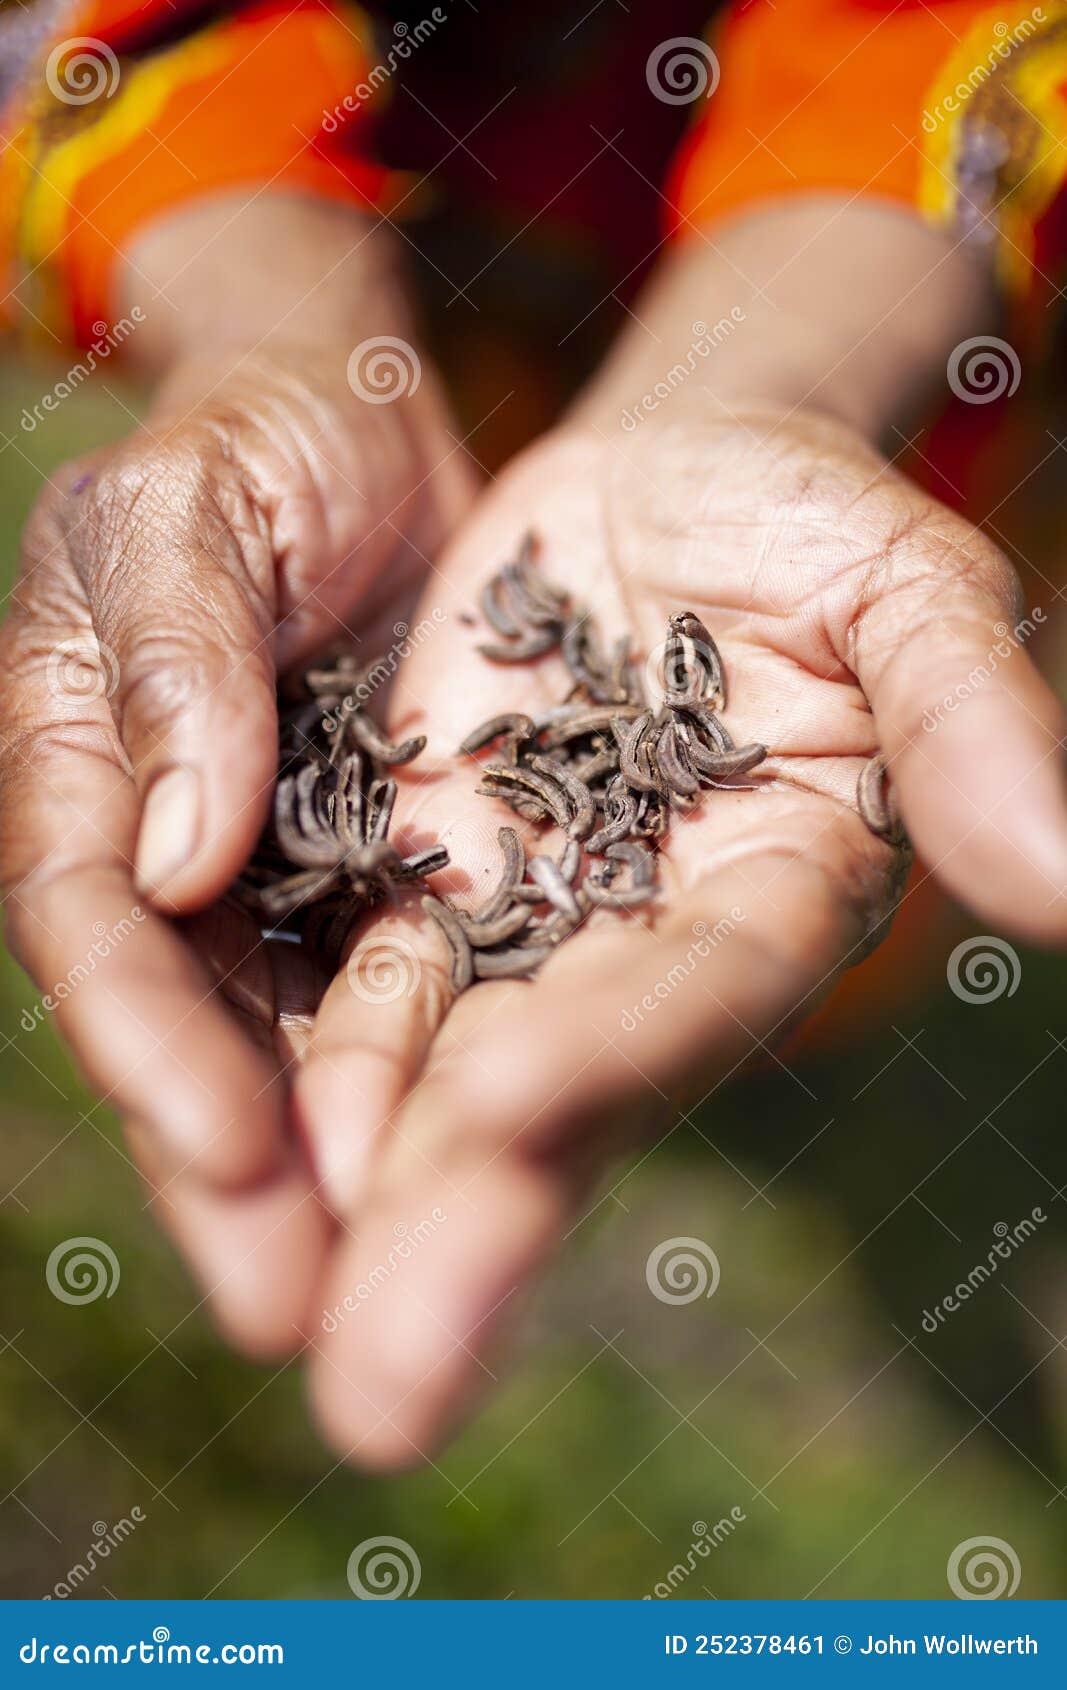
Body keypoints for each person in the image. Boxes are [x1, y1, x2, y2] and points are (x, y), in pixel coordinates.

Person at [1, 0, 1065, 1469]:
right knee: (690, 903)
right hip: (449, 344)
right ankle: (667, 1069)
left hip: (831, 359)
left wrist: (781, 381)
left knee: (829, 841)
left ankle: (727, 1060)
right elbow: (134, 37)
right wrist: (274, 331)